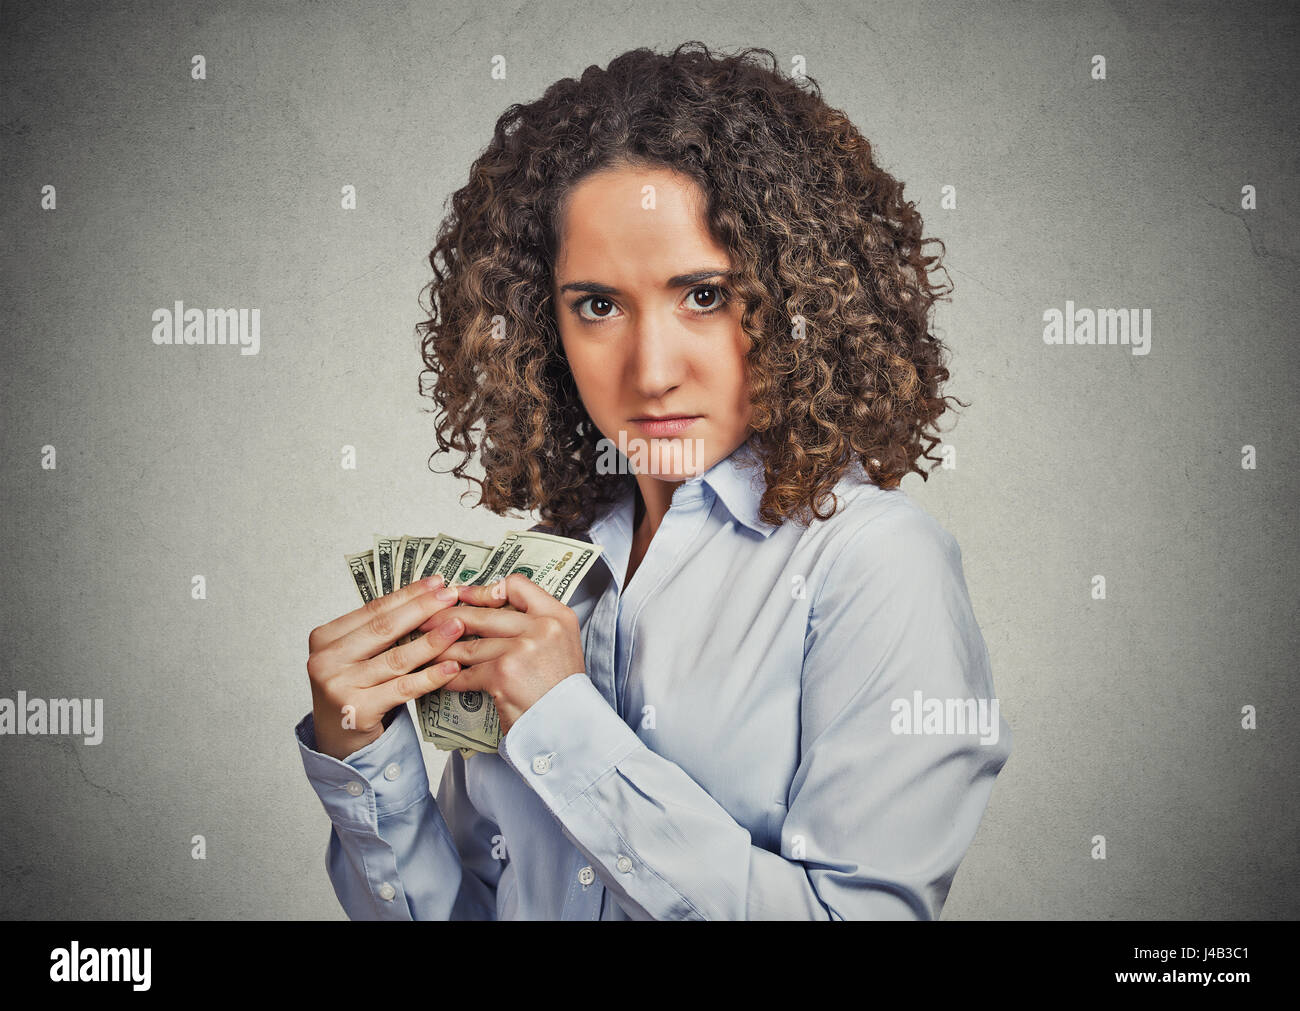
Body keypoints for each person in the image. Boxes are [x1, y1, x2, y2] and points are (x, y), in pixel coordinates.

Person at [295, 41, 1012, 920]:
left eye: (704, 295)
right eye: (597, 305)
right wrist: (363, 754)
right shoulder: (550, 579)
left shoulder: (875, 566)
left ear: (795, 296)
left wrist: (564, 722)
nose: (652, 369)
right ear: (540, 321)